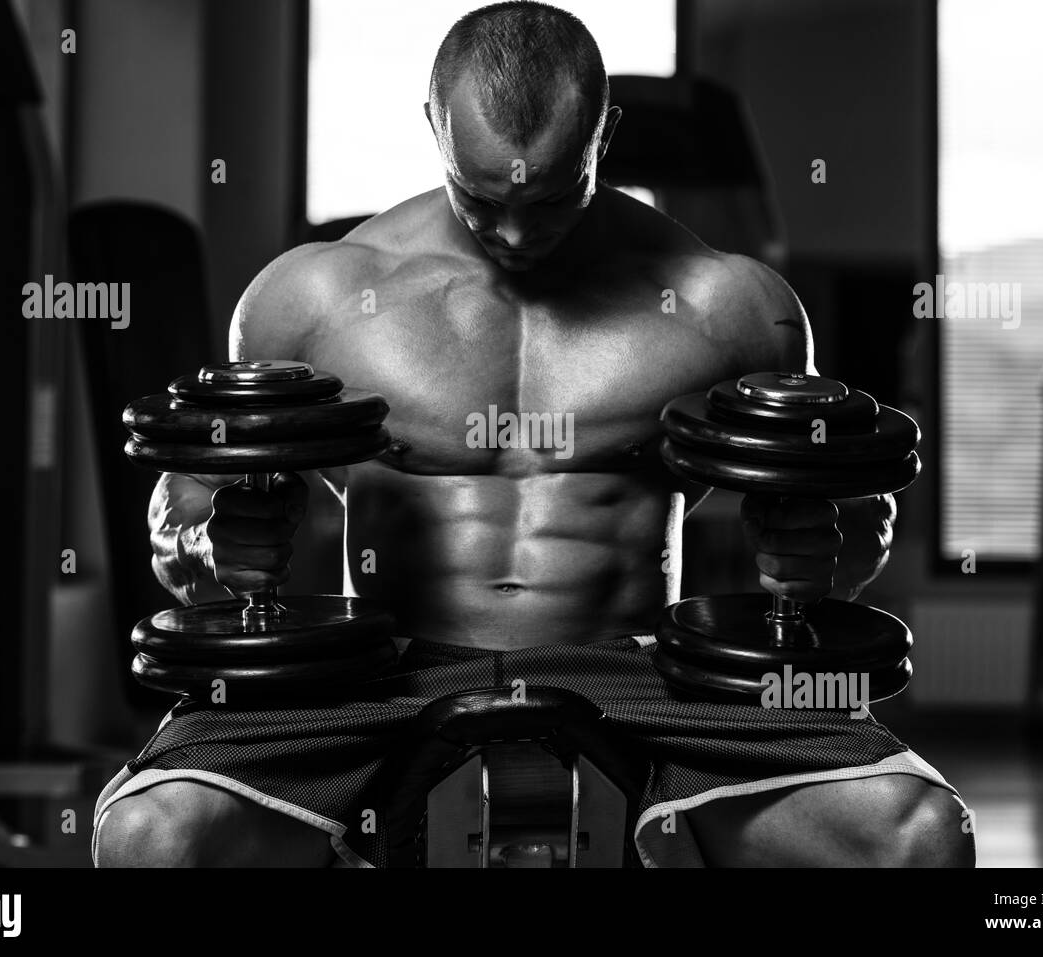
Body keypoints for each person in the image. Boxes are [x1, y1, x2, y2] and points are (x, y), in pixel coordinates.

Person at [94, 0, 973, 867]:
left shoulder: (730, 308)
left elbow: (849, 543)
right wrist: (213, 544)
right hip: (380, 670)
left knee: (916, 835)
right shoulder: (310, 303)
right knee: (151, 837)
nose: (516, 231)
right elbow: (182, 518)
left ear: (606, 133)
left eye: (556, 197)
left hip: (642, 672)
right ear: (433, 127)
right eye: (481, 196)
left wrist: (828, 544)